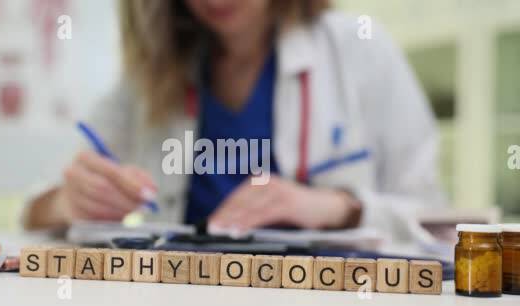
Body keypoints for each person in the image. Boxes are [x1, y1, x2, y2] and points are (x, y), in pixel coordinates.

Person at [24, 0, 445, 237]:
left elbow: (441, 223)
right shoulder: (153, 74)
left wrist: (339, 208)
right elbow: (33, 209)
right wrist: (70, 200)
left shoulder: (358, 50)